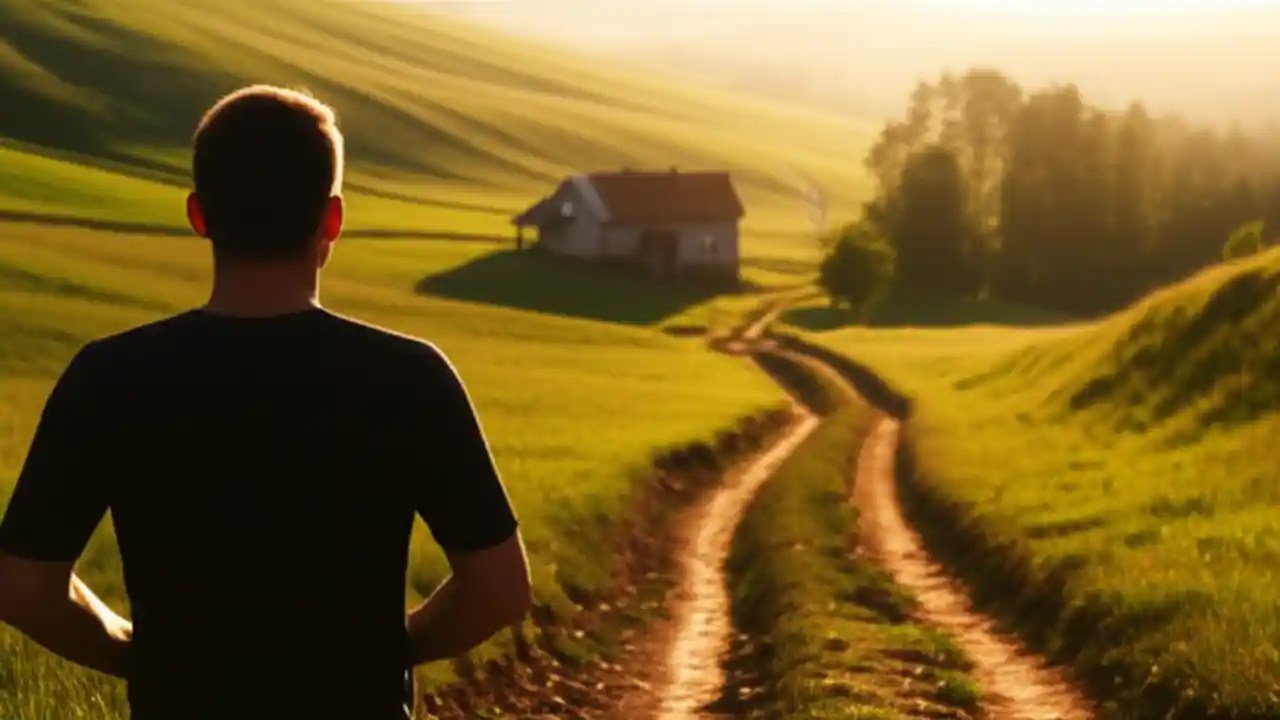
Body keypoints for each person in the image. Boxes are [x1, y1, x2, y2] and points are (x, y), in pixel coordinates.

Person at [0, 86, 531, 719]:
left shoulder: (108, 376)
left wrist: (131, 650)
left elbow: (23, 586)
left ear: (199, 216)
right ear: (331, 220)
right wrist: (391, 650)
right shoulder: (410, 378)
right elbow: (498, 588)